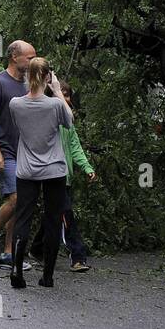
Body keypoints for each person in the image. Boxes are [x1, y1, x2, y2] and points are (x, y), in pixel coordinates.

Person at [7, 57, 75, 288]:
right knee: (53, 220)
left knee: (23, 217)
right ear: (47, 77)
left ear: (27, 76)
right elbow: (70, 121)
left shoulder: (16, 104)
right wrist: (56, 90)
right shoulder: (55, 105)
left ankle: (16, 271)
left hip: (26, 170)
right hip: (54, 169)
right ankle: (47, 276)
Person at [0, 40, 36, 271]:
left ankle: (8, 252)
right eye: (30, 58)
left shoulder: (29, 84)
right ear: (15, 57)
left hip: (26, 151)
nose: (33, 61)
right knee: (15, 198)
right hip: (5, 150)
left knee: (21, 202)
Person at [30, 78, 97, 270]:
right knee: (66, 213)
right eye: (62, 94)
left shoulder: (68, 123)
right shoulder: (46, 120)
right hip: (49, 175)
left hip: (65, 176)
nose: (65, 99)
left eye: (67, 95)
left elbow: (75, 146)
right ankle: (77, 257)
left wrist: (87, 167)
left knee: (54, 213)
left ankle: (36, 248)